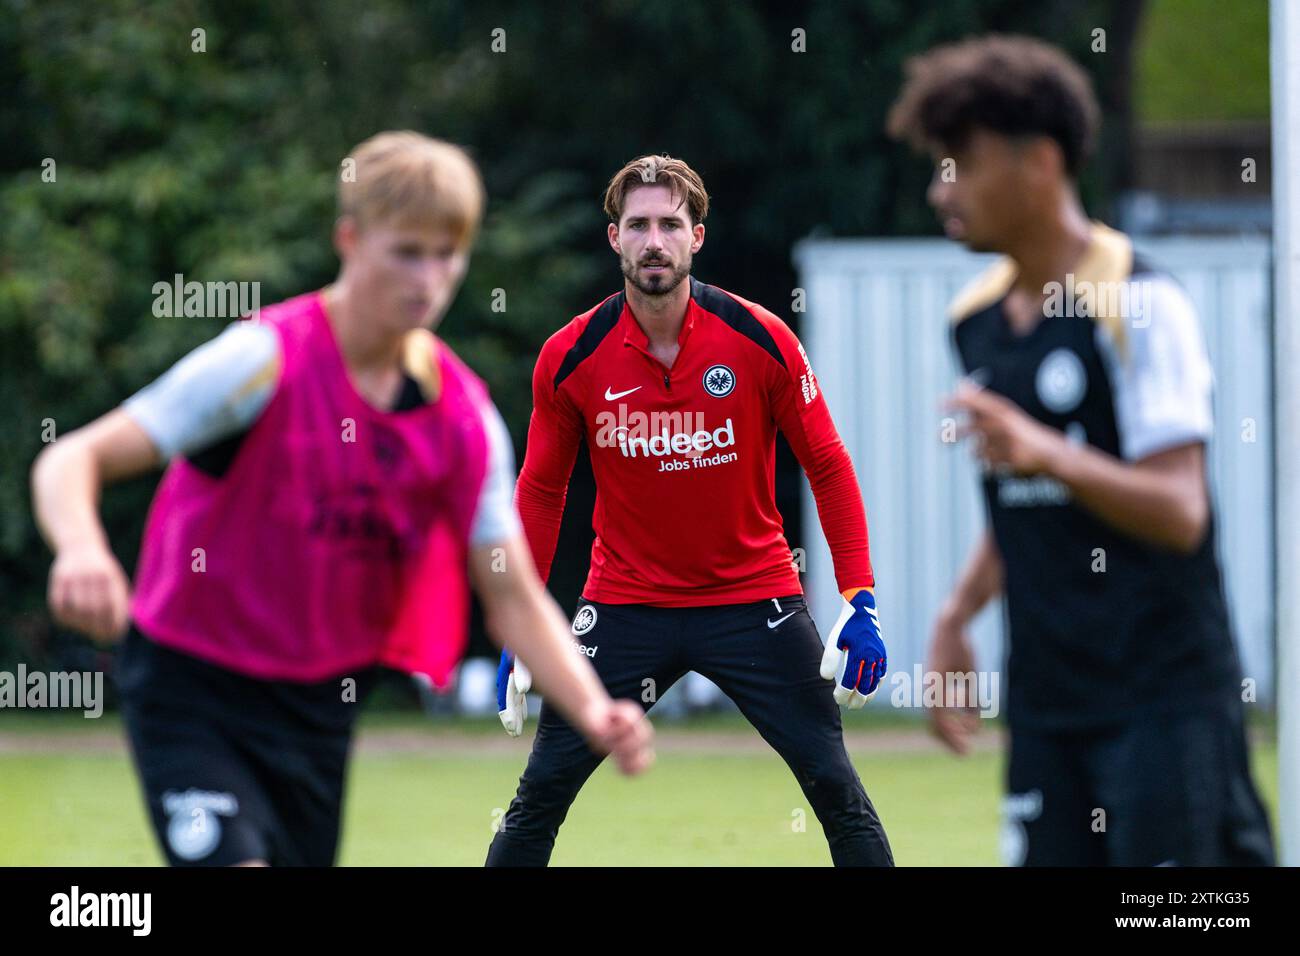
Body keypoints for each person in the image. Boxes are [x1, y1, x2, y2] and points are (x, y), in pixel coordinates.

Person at [30, 130, 652, 867]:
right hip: (192, 685)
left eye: (447, 255)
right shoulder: (262, 362)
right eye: (407, 252)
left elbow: (510, 593)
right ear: (350, 240)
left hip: (318, 710)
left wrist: (591, 707)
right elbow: (74, 457)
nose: (429, 277)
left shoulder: (460, 416)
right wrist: (81, 547)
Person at [887, 35, 1274, 865]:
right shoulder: (976, 321)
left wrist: (1047, 451)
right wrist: (958, 613)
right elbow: (1030, 501)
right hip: (1048, 703)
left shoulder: (1138, 304)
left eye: (961, 162)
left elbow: (1179, 509)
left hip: (1163, 704)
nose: (939, 188)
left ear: (1040, 162)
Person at [486, 154, 893, 866]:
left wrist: (861, 598)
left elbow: (827, 463)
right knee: (537, 797)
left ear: (696, 236)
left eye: (670, 224)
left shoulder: (762, 337)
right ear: (613, 237)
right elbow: (541, 492)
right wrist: (516, 621)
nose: (654, 241)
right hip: (623, 605)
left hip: (753, 598)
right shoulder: (569, 356)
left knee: (837, 790)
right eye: (637, 224)